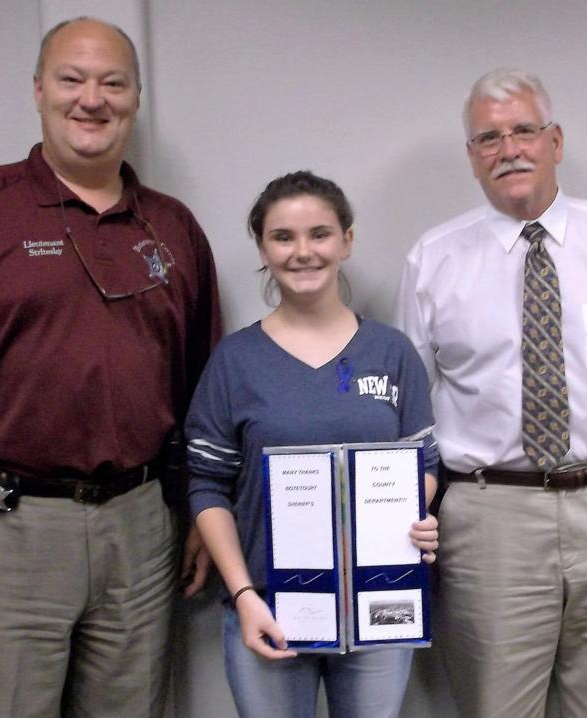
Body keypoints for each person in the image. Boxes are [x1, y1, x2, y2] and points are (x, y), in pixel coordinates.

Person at [0, 17, 221, 717]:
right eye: (71, 79)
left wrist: (207, 514)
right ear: (38, 91)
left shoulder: (172, 229)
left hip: (143, 531)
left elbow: (205, 396)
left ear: (136, 100)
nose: (92, 99)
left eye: (113, 83)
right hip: (5, 531)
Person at [394, 68, 587, 718]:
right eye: (489, 138)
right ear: (473, 157)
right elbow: (410, 407)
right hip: (489, 520)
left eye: (524, 131)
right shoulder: (434, 260)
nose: (509, 150)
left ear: (555, 141)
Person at [185, 171, 440, 718]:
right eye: (283, 237)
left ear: (347, 239)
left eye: (320, 234)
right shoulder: (235, 361)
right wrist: (243, 596)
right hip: (269, 610)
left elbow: (425, 464)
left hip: (378, 610)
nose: (303, 252)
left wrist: (413, 517)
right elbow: (207, 487)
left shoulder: (391, 353)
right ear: (262, 247)